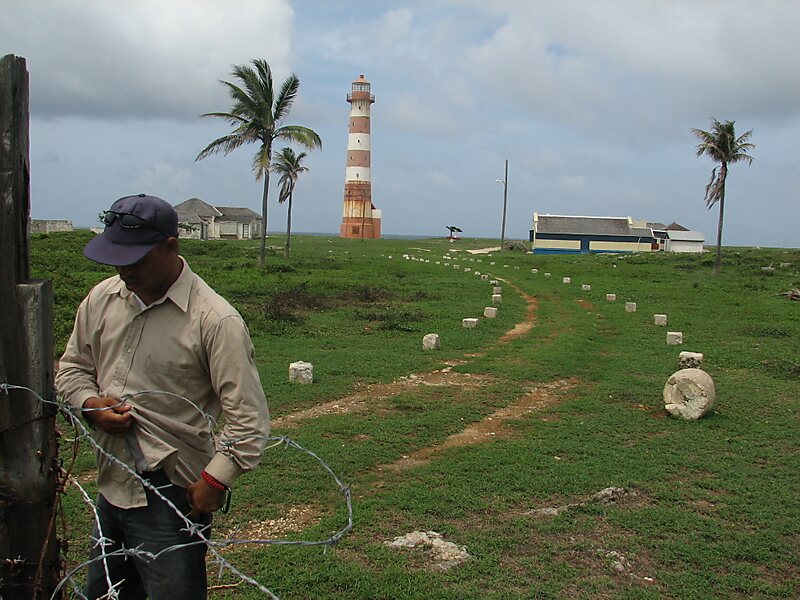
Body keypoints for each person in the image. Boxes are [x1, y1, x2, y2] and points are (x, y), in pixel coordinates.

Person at [55, 194, 270, 599]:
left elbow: (249, 421)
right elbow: (72, 369)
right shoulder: (102, 299)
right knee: (105, 593)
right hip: (110, 481)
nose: (124, 270)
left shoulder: (214, 320)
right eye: (116, 259)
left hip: (173, 494)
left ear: (171, 246)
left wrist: (215, 480)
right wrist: (89, 404)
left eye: (135, 260)